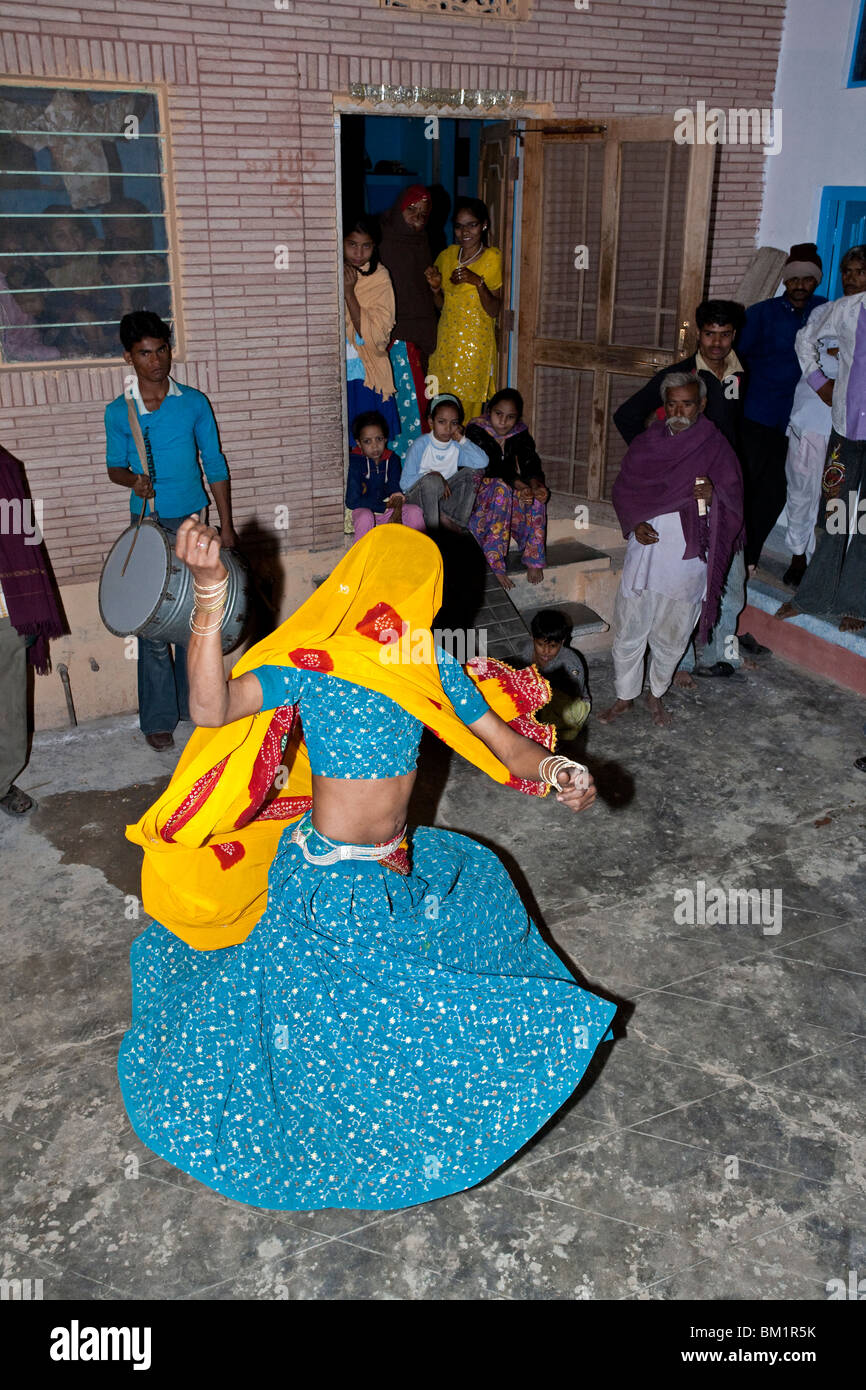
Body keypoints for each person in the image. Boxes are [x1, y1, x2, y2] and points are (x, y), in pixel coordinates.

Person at [117, 523, 617, 1212]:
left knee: (465, 911)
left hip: (391, 869)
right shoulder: (318, 663)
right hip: (326, 882)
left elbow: (507, 748)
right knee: (326, 1018)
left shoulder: (427, 664)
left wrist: (558, 768)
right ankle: (327, 1121)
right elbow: (210, 707)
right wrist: (209, 595)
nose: (413, 607)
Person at [105, 310, 237, 751]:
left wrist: (227, 525)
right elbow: (114, 467)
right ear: (129, 357)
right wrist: (133, 480)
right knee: (152, 624)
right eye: (145, 353)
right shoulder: (118, 411)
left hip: (193, 520)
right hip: (146, 523)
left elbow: (214, 463)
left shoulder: (194, 402)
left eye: (162, 350)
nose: (156, 361)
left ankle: (194, 704)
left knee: (196, 618)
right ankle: (158, 718)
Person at [598, 374, 744, 728]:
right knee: (630, 628)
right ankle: (624, 695)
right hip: (646, 552)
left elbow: (735, 500)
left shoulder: (715, 447)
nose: (678, 412)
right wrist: (635, 522)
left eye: (687, 404)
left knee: (673, 633)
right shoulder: (647, 443)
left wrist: (713, 497)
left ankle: (656, 694)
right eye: (672, 404)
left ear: (701, 405)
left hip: (687, 560)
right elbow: (624, 489)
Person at [776, 268, 866, 632]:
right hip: (845, 429)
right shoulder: (842, 310)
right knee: (836, 515)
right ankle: (813, 596)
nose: (852, 278)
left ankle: (856, 603)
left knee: (864, 519)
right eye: (848, 271)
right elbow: (805, 340)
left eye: (861, 272)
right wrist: (818, 381)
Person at [736, 244, 827, 569]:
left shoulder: (825, 311)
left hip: (799, 422)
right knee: (746, 487)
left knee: (777, 492)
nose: (800, 285)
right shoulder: (761, 313)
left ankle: (752, 554)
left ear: (817, 281)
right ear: (785, 281)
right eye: (793, 279)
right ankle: (734, 555)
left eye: (807, 279)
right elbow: (737, 362)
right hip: (757, 416)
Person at [0, 444, 65, 816]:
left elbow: (22, 538)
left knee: (8, 701)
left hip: (4, 607)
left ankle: (1, 782)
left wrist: (31, 604)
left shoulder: (2, 467)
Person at [613, 299, 746, 450]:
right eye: (709, 334)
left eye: (725, 335)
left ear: (734, 335)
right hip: (688, 460)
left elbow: (734, 421)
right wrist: (652, 454)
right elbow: (625, 416)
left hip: (723, 460)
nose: (717, 343)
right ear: (698, 334)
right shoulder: (678, 376)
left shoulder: (739, 370)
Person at [426, 198, 503, 422]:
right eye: (459, 226)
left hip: (474, 349)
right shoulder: (447, 256)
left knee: (466, 417)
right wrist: (436, 289)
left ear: (484, 225)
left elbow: (494, 310)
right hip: (445, 346)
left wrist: (477, 282)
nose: (465, 232)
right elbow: (442, 306)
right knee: (439, 409)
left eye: (472, 225)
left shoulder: (492, 258)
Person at [466, 388, 550, 589]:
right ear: (489, 411)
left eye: (510, 417)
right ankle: (493, 563)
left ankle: (533, 558)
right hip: (479, 498)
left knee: (537, 498)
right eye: (498, 414)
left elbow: (530, 461)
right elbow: (492, 464)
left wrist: (535, 486)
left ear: (517, 418)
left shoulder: (519, 433)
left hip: (509, 492)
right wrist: (520, 485)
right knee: (501, 489)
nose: (503, 422)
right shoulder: (476, 430)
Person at [378, 185, 439, 455]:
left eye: (423, 213)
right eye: (411, 209)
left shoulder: (423, 240)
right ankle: (399, 466)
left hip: (420, 335)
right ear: (398, 209)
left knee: (419, 404)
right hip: (394, 337)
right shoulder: (383, 239)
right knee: (402, 406)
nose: (417, 217)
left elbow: (422, 292)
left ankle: (417, 465)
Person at [343, 214, 400, 449]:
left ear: (374, 246)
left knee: (370, 444)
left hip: (366, 375)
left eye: (366, 246)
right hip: (338, 370)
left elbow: (376, 336)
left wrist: (349, 292)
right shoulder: (330, 271)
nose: (358, 253)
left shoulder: (379, 277)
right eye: (352, 244)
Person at [400, 393, 487, 530]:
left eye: (454, 423)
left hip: (445, 500)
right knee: (433, 481)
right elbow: (404, 484)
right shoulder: (420, 445)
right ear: (431, 422)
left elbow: (482, 462)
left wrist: (462, 440)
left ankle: (455, 523)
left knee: (475, 472)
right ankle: (433, 532)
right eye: (442, 422)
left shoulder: (456, 446)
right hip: (420, 499)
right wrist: (432, 474)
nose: (448, 428)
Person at [345, 409, 425, 542]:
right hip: (363, 510)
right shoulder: (355, 462)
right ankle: (363, 553)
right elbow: (352, 501)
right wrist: (384, 506)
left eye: (379, 439)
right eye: (367, 441)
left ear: (385, 438)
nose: (375, 446)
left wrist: (396, 498)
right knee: (366, 517)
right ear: (359, 443)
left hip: (387, 509)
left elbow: (394, 485)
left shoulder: (392, 459)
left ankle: (419, 550)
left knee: (414, 511)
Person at [517, 609, 591, 742]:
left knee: (557, 726)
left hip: (570, 701)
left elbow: (573, 696)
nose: (546, 651)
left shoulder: (570, 663)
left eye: (553, 646)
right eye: (540, 644)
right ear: (532, 638)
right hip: (540, 696)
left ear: (562, 642)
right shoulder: (526, 652)